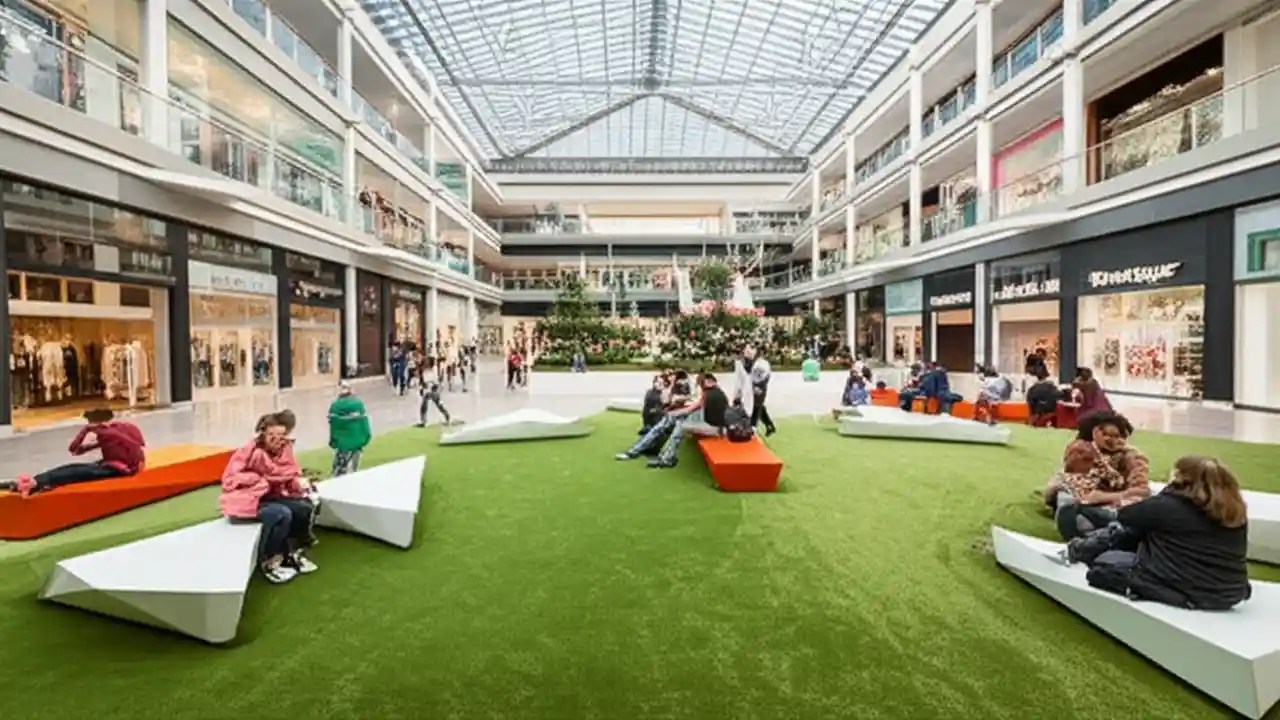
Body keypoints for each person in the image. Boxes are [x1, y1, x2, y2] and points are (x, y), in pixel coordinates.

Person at [1059, 456, 1250, 611]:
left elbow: (1126, 517)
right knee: (1141, 530)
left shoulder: (1167, 506)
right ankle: (1082, 542)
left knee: (1107, 561)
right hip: (1230, 593)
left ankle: (1077, 549)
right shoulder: (1235, 513)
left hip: (1185, 588)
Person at [220, 411, 318, 584]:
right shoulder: (249, 451)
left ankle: (294, 552)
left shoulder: (285, 450)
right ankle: (270, 560)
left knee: (305, 507)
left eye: (281, 435)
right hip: (246, 499)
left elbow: (289, 475)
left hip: (271, 495)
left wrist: (297, 483)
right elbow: (229, 479)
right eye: (272, 435)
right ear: (263, 433)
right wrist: (259, 480)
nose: (277, 439)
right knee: (280, 514)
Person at [1042, 411, 1150, 540]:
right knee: (1067, 499)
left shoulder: (1131, 456)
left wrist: (1113, 497)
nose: (1114, 440)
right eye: (1106, 434)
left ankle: (1110, 525)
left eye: (1119, 435)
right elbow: (1081, 488)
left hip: (1116, 504)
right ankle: (1080, 528)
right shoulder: (1081, 450)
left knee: (1135, 509)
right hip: (1084, 501)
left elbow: (1141, 489)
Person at [1, 408, 146, 497]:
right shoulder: (104, 434)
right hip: (109, 464)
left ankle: (35, 483)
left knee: (75, 472)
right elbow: (75, 450)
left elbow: (136, 444)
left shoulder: (114, 431)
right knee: (72, 467)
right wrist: (86, 431)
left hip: (121, 469)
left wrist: (105, 432)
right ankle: (35, 481)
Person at [616, 373, 728, 469]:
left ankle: (643, 453)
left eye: (701, 383)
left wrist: (674, 414)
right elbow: (695, 409)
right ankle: (661, 456)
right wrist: (674, 414)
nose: (701, 386)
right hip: (711, 425)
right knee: (674, 422)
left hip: (713, 428)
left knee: (679, 426)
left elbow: (694, 408)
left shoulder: (710, 393)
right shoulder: (716, 392)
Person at [328, 382, 371, 476]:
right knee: (354, 469)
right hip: (358, 442)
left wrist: (333, 442)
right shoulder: (358, 404)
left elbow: (333, 425)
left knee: (340, 469)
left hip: (342, 444)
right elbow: (364, 424)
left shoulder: (335, 406)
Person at [740, 345, 776, 436]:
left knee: (756, 406)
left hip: (758, 387)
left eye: (748, 352)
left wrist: (758, 387)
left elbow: (762, 378)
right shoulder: (752, 362)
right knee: (759, 406)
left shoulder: (761, 364)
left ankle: (753, 427)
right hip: (754, 386)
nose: (746, 354)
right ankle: (769, 425)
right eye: (745, 352)